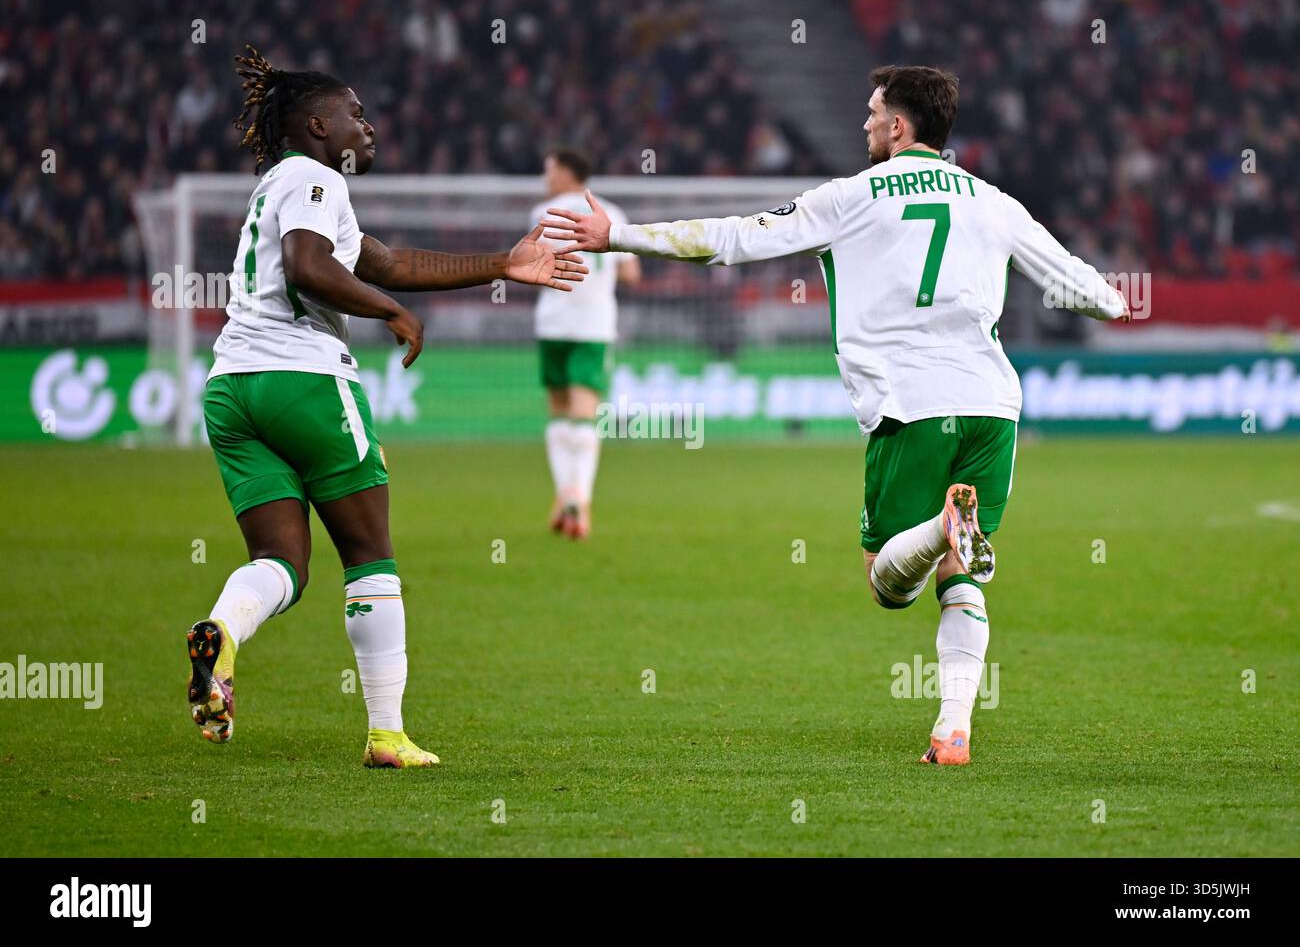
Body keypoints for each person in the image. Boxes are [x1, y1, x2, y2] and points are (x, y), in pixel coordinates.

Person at [540, 65, 1129, 765]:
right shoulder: (994, 202)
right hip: (993, 406)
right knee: (962, 581)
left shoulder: (851, 197)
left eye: (873, 113)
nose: (865, 124)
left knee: (886, 579)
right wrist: (1117, 300)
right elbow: (1092, 294)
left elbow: (733, 238)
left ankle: (944, 526)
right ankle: (953, 728)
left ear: (899, 127)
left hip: (911, 406)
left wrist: (623, 236)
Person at [188, 46, 587, 768]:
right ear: (316, 123)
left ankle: (222, 632)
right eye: (355, 114)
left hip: (231, 387)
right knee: (369, 555)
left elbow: (387, 261)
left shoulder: (281, 184)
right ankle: (386, 735)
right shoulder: (313, 178)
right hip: (302, 379)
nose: (367, 127)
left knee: (282, 562)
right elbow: (314, 272)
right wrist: (392, 315)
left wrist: (503, 262)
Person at [530, 147, 640, 539]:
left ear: (564, 172)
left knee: (559, 413)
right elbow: (631, 272)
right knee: (584, 414)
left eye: (549, 170)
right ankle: (581, 497)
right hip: (594, 325)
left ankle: (563, 495)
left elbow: (527, 262)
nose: (546, 178)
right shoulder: (612, 212)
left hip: (553, 323)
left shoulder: (544, 213)